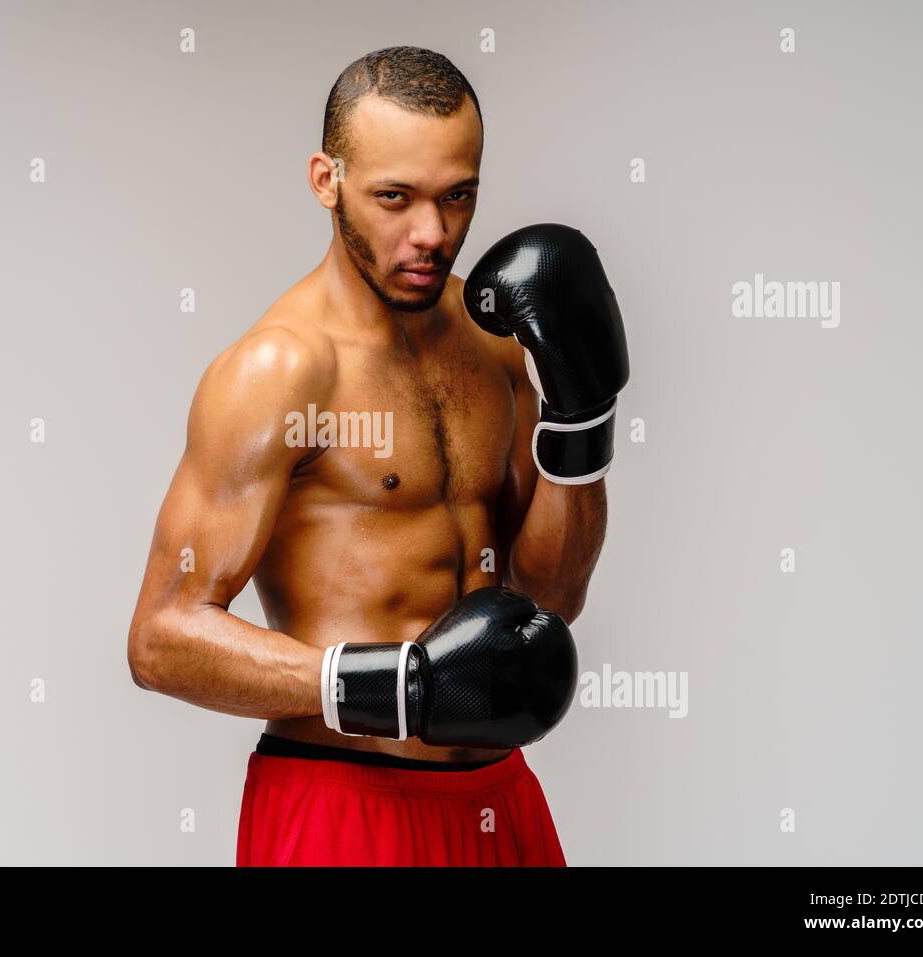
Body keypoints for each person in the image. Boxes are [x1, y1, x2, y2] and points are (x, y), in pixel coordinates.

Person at [127, 46, 628, 866]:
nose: (431, 235)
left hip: (499, 796)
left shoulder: (494, 345)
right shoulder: (280, 371)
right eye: (394, 197)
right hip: (342, 800)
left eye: (457, 196)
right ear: (327, 180)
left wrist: (583, 421)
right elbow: (160, 638)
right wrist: (392, 686)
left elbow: (550, 596)